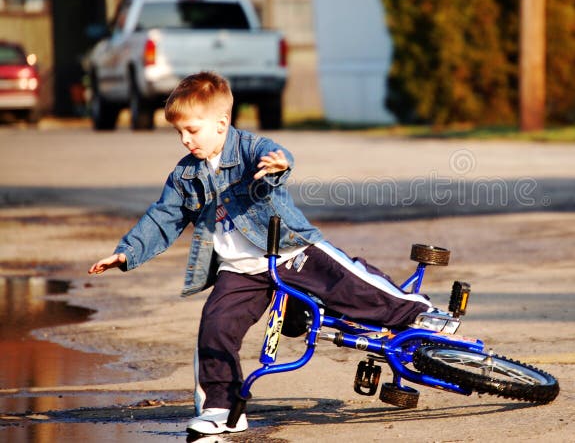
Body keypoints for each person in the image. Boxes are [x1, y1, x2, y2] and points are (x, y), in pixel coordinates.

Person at [88, 71, 458, 436]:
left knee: (353, 285)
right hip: (240, 271)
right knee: (215, 329)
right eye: (179, 132)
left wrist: (279, 167)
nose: (185, 140)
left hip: (288, 250)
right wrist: (127, 254)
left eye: (192, 130)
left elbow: (274, 154)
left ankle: (421, 314)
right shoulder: (185, 176)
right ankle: (222, 408)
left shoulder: (248, 149)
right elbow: (164, 216)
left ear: (221, 122)